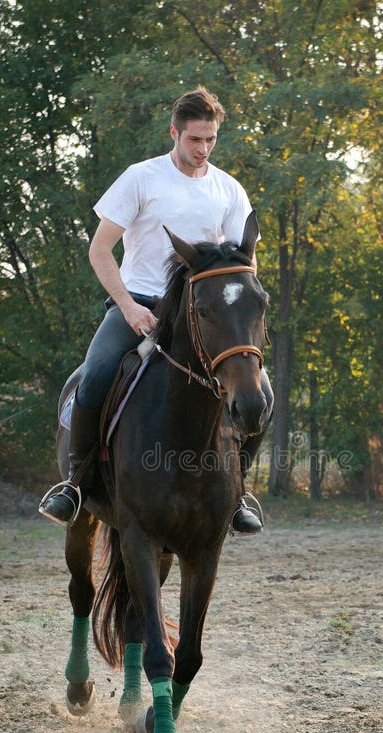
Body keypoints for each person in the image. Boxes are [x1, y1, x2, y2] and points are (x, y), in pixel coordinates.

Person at [39, 86, 270, 534]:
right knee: (95, 376)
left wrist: (236, 317)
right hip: (139, 305)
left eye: (210, 139)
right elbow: (100, 250)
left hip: (203, 316)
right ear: (174, 133)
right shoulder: (140, 178)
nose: (203, 149)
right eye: (195, 139)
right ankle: (75, 485)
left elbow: (245, 265)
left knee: (264, 393)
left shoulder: (228, 189)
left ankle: (237, 492)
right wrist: (128, 308)